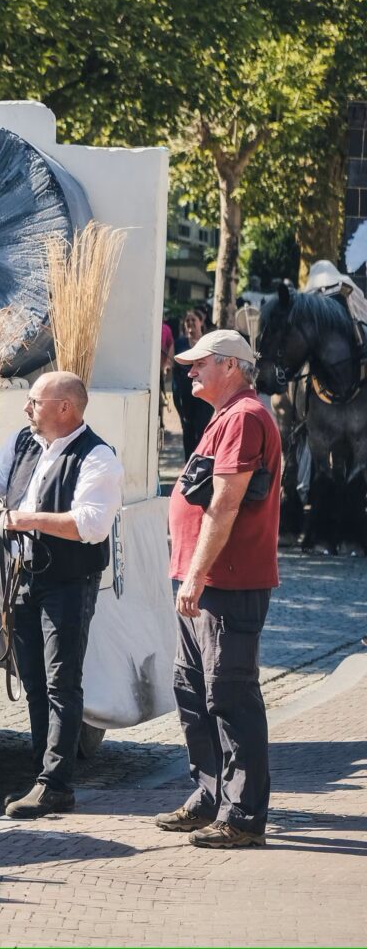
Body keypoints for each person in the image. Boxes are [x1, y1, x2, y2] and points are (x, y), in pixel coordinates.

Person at [0, 371, 123, 819]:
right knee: (34, 680)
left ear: (65, 408)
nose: (27, 408)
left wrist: (28, 520)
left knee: (62, 680)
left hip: (68, 581)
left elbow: (91, 524)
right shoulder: (24, 442)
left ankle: (56, 784)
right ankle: (40, 773)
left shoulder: (98, 457)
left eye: (34, 401)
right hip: (24, 578)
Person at [158, 329, 280, 849]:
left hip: (225, 583)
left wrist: (197, 574)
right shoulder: (228, 415)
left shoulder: (246, 417)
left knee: (229, 694)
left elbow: (225, 503)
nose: (189, 373)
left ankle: (245, 814)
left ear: (230, 366)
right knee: (193, 691)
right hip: (206, 580)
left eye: (198, 364)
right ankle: (210, 798)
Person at [172, 307, 214, 460]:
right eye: (187, 321)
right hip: (184, 396)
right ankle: (189, 465)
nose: (190, 323)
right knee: (187, 429)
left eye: (193, 320)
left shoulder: (207, 343)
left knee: (202, 428)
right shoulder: (179, 343)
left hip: (203, 395)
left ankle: (202, 462)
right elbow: (171, 362)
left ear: (201, 322)